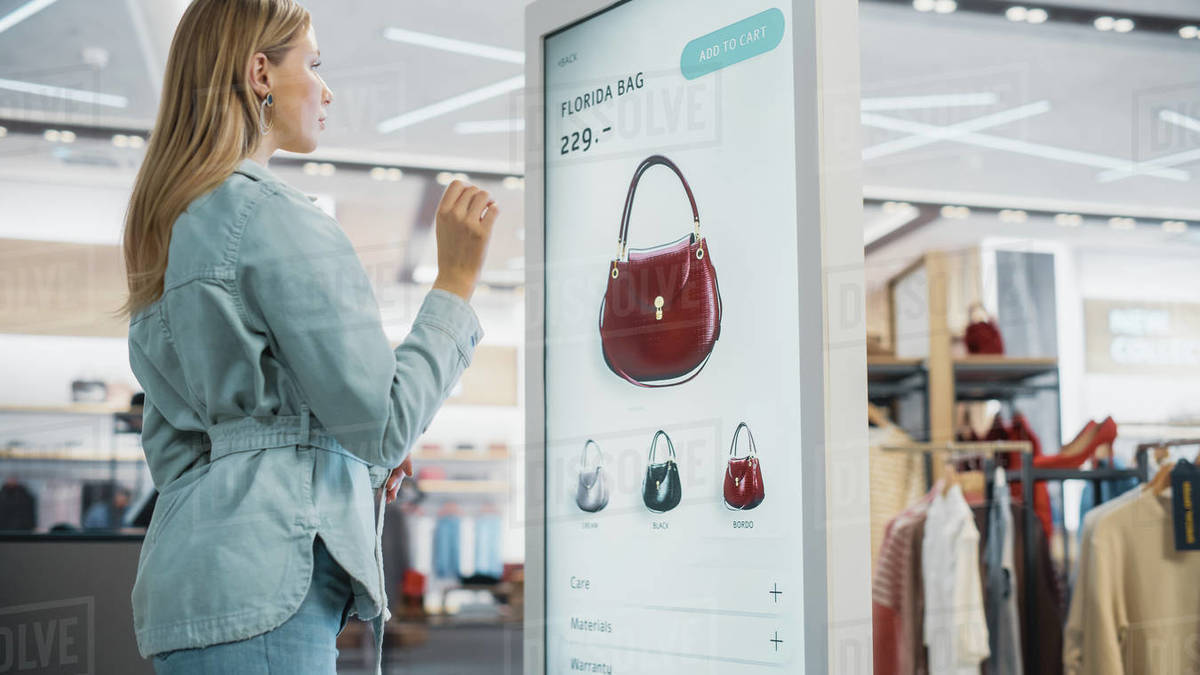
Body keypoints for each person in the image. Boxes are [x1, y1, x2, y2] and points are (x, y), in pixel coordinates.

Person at [118, 1, 498, 673]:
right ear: (260, 72)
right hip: (267, 589)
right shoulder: (274, 217)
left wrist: (347, 452)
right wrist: (457, 280)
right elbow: (385, 421)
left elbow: (180, 449)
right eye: (313, 65)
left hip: (188, 593)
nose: (326, 89)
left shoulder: (168, 226)